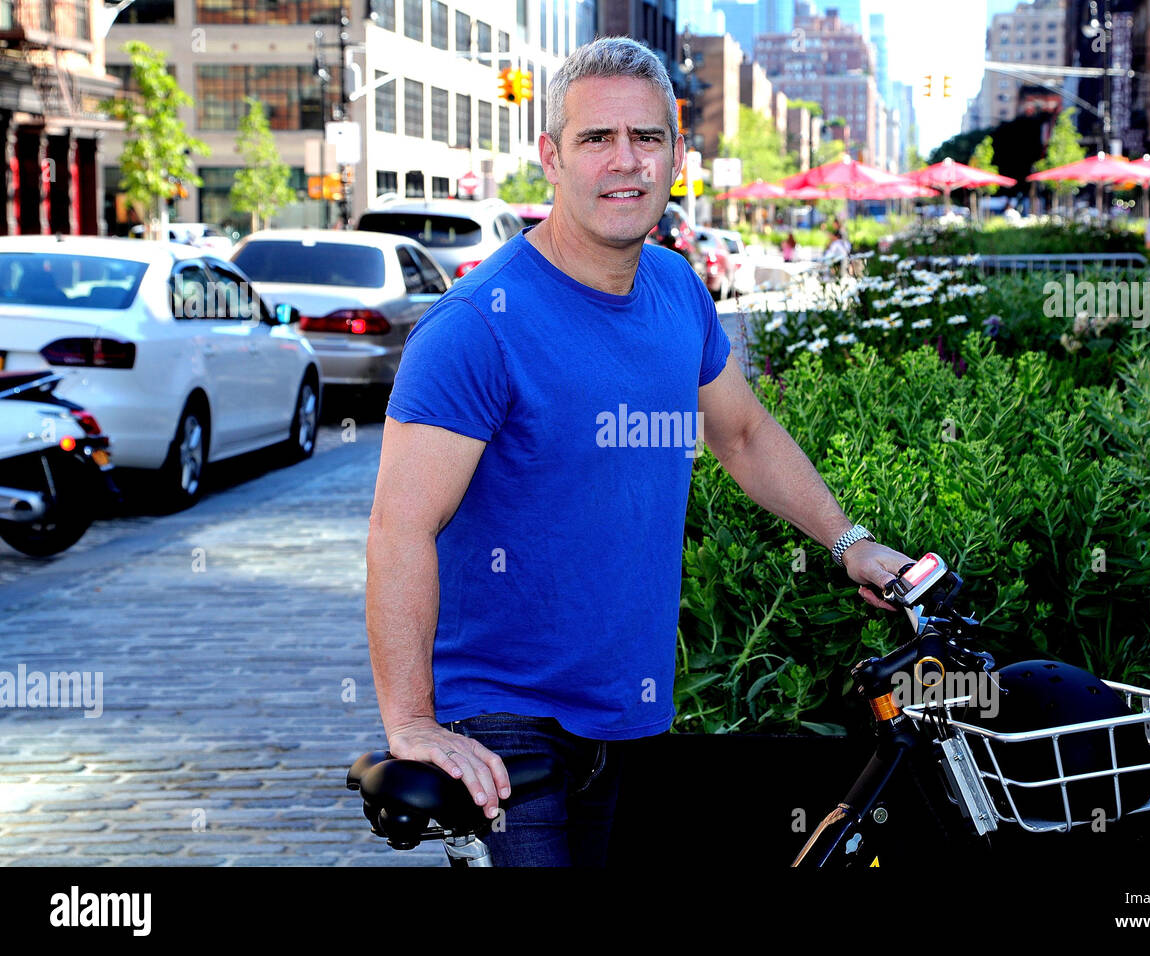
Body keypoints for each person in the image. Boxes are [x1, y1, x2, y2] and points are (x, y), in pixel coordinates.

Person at [366, 37, 914, 868]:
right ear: (550, 156)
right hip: (504, 720)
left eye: (646, 138)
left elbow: (743, 433)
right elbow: (399, 528)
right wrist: (409, 721)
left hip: (626, 711)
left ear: (677, 153)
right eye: (596, 139)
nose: (625, 162)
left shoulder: (675, 288)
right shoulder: (477, 326)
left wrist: (850, 543)